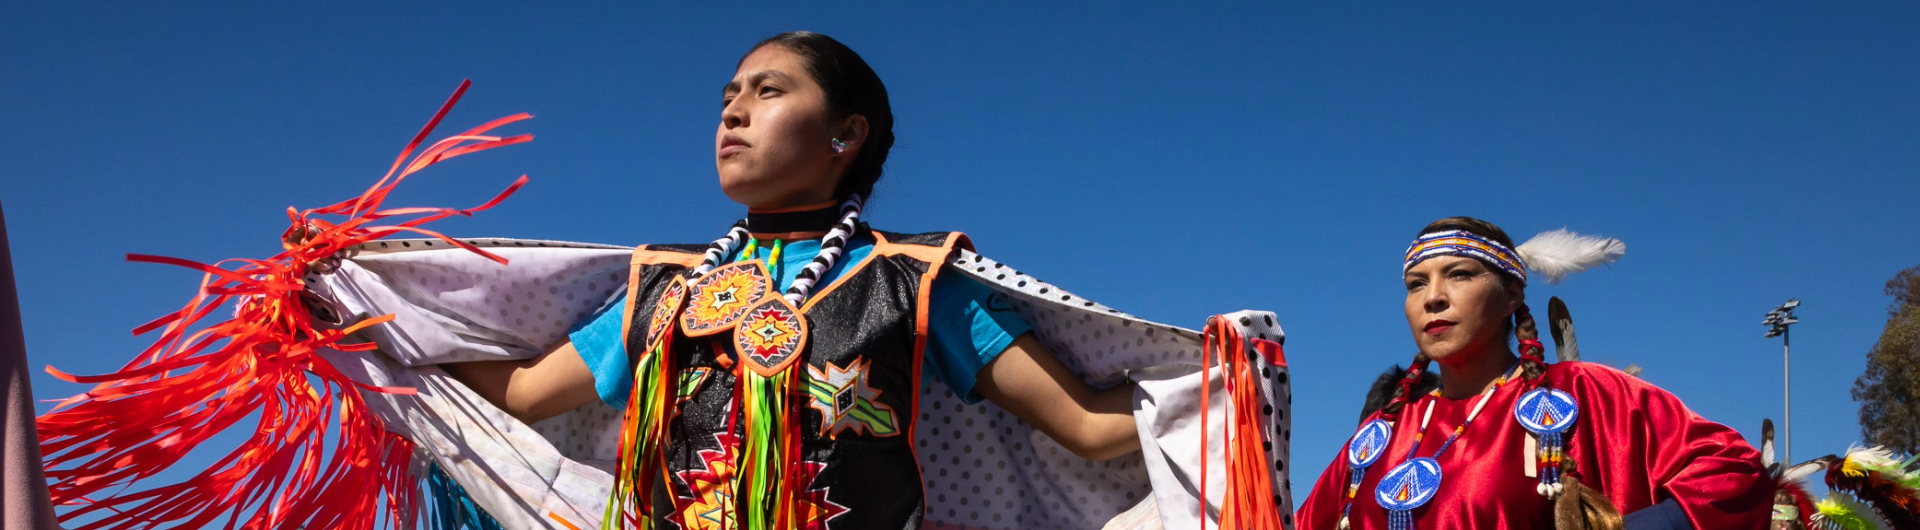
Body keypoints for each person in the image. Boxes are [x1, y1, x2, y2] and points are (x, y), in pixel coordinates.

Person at [440, 31, 1140, 528]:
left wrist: (1236, 377)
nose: (732, 111)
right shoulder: (667, 289)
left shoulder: (915, 282)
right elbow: (527, 392)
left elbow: (1085, 423)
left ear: (845, 135)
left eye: (768, 90)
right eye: (729, 96)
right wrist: (358, 315)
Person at [1295, 217, 1772, 530]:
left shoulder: (1584, 392)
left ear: (1511, 298)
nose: (1432, 297)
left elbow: (1734, 470)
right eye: (1416, 284)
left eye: (1459, 275)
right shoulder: (1384, 434)